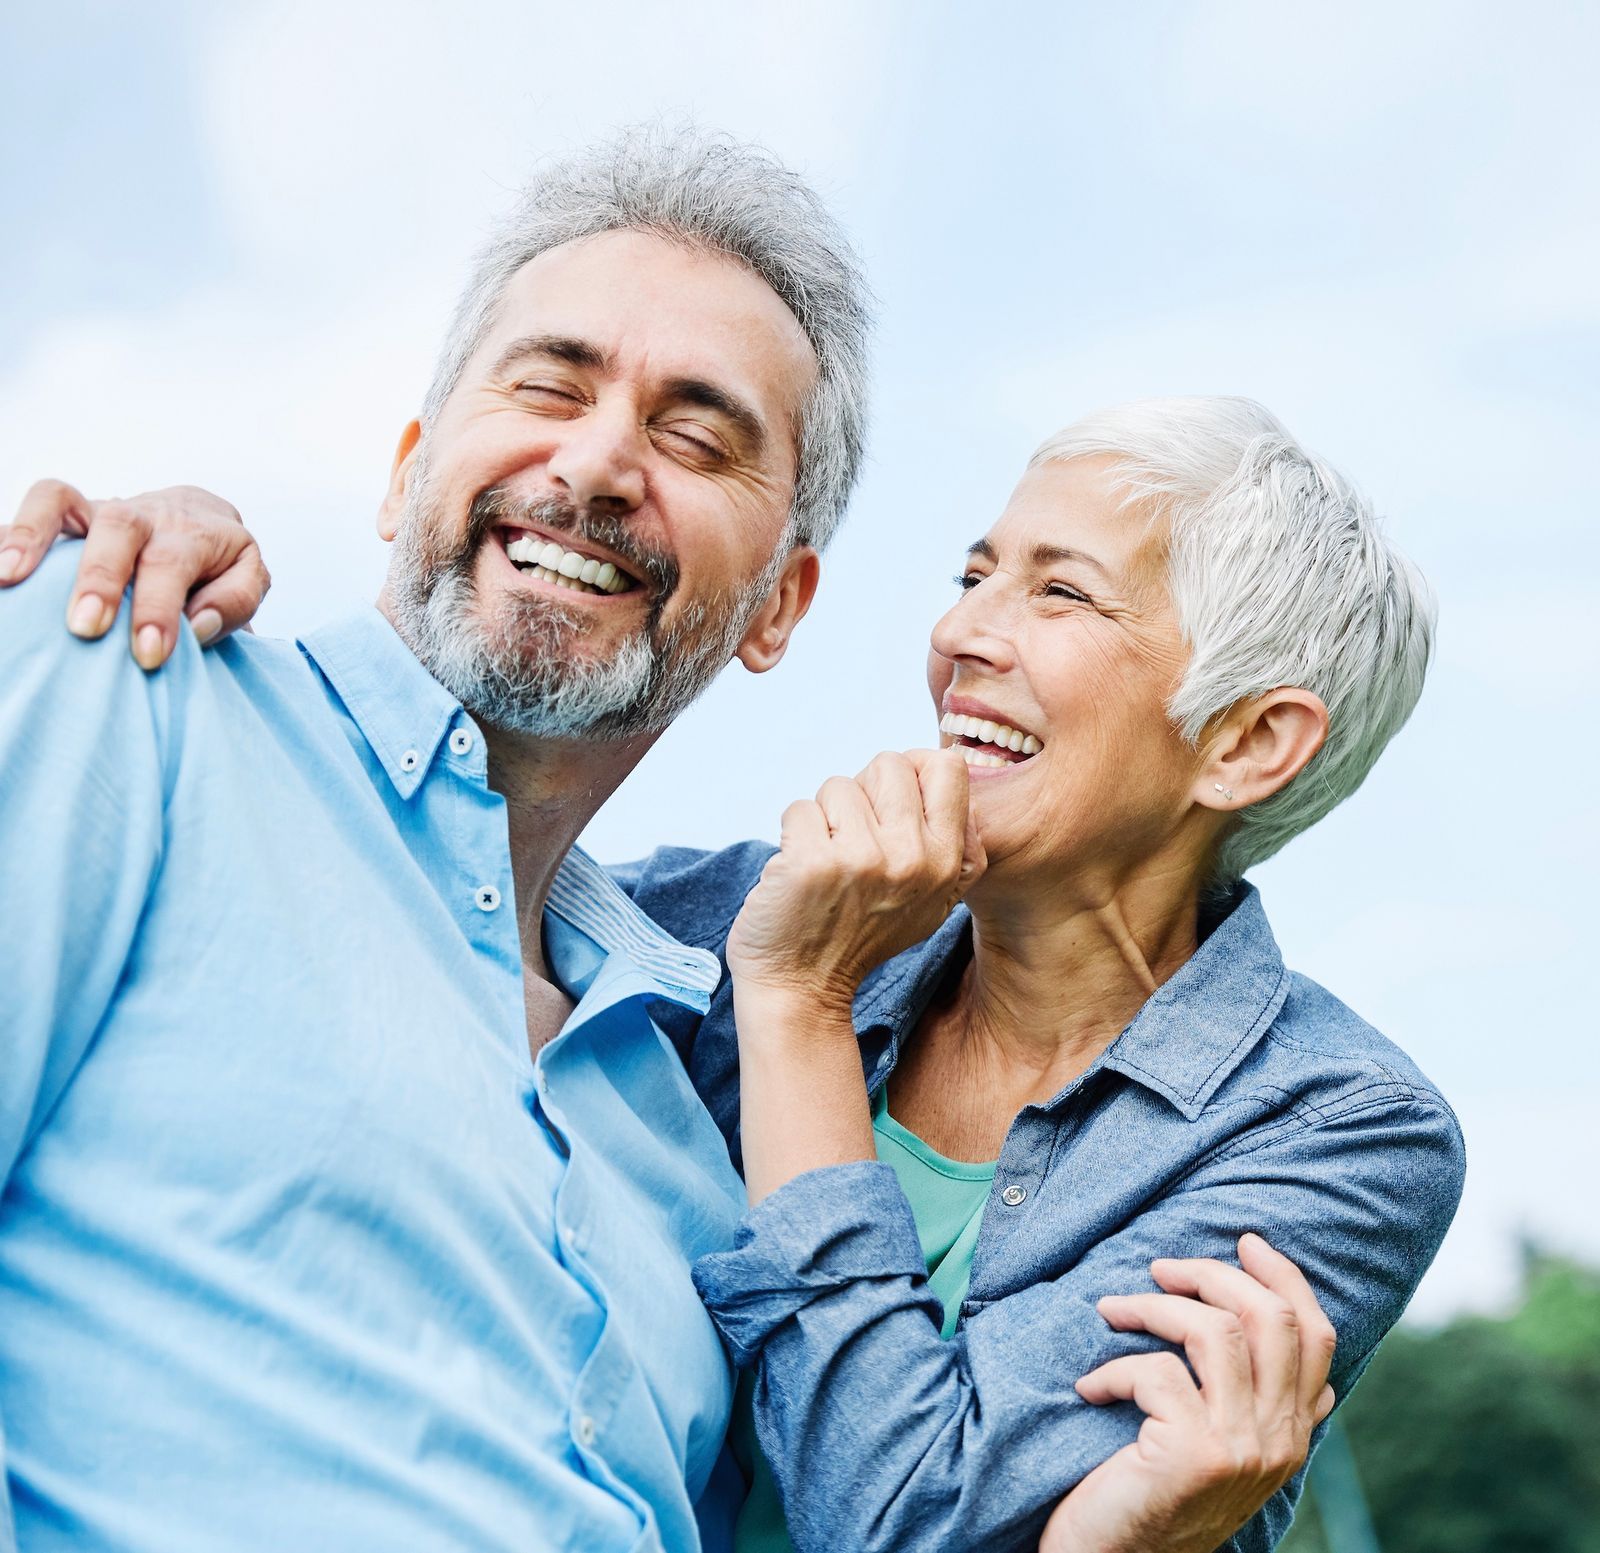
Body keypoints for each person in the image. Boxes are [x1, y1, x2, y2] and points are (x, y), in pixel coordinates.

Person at [0, 128, 1334, 1553]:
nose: (599, 459)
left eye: (699, 436)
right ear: (406, 475)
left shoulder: (692, 1104)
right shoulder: (122, 675)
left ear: (780, 605)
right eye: (548, 383)